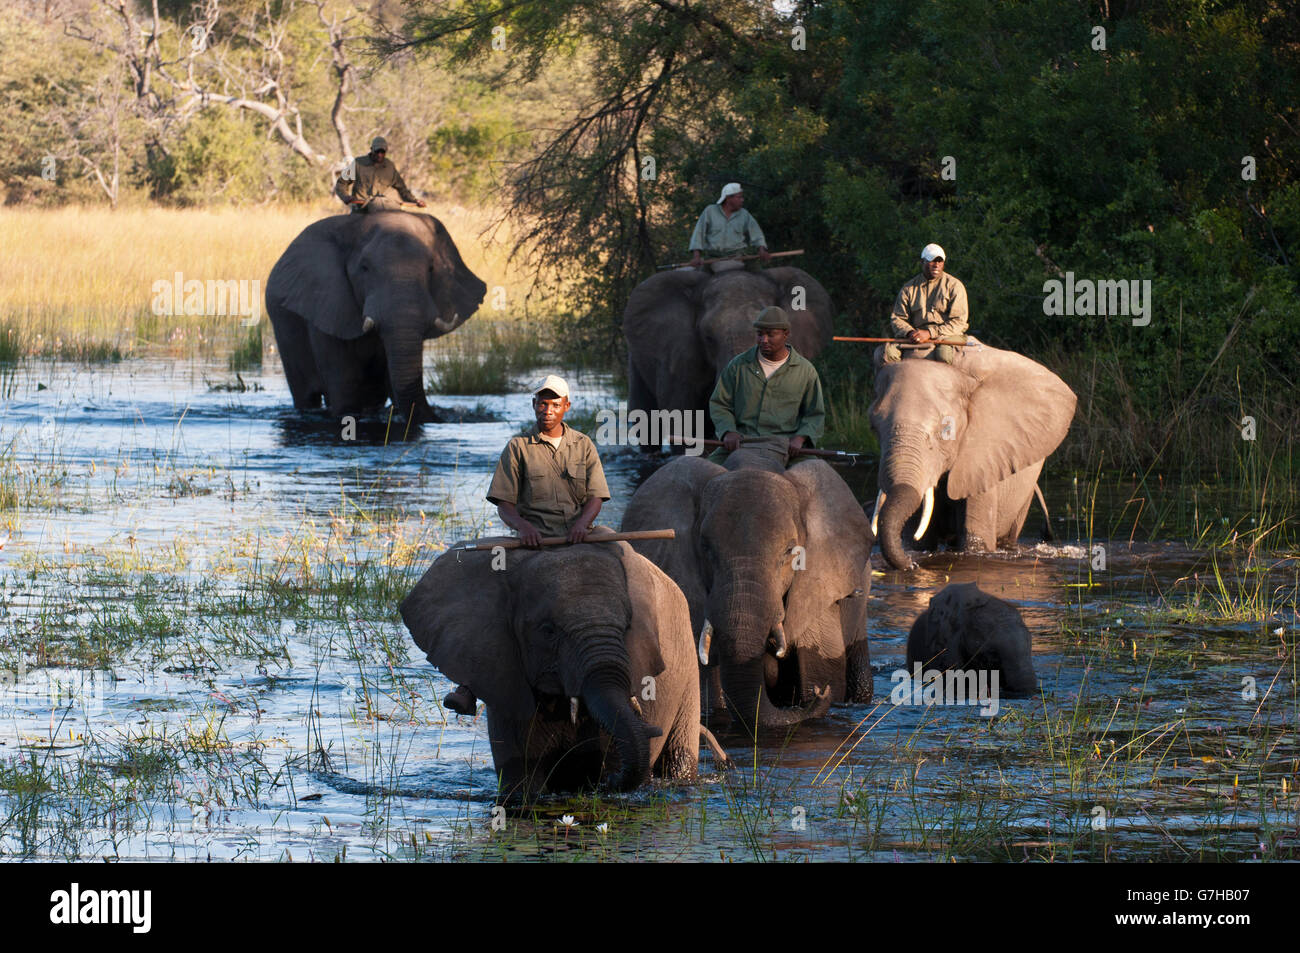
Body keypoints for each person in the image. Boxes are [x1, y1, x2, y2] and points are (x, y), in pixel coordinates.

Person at [442, 375, 611, 716]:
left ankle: (627, 685)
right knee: (496, 598)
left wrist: (582, 524)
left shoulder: (584, 446)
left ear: (566, 407)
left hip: (577, 540)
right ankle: (470, 684)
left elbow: (596, 497)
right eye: (541, 403)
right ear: (534, 406)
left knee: (618, 588)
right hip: (532, 545)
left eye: (554, 404)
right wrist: (523, 528)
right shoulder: (518, 448)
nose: (547, 410)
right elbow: (504, 504)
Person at [708, 306, 826, 465]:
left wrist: (800, 438)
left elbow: (814, 414)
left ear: (786, 334)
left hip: (786, 447)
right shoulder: (738, 366)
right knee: (704, 474)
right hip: (742, 443)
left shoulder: (806, 371)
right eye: (760, 334)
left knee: (816, 478)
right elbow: (720, 404)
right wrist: (728, 431)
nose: (764, 340)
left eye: (771, 334)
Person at [883, 242, 969, 364]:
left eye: (940, 261)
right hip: (916, 334)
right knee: (889, 353)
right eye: (932, 261)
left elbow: (959, 322)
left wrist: (930, 333)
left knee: (944, 354)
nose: (936, 265)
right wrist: (909, 332)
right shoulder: (908, 288)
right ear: (922, 262)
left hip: (948, 334)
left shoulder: (955, 286)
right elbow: (897, 318)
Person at [688, 182, 771, 272]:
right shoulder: (710, 211)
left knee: (760, 276)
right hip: (714, 257)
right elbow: (698, 234)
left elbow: (757, 234)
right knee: (700, 281)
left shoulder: (744, 214)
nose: (742, 200)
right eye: (739, 197)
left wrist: (761, 250)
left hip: (738, 255)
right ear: (728, 198)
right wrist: (696, 257)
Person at [333, 136, 426, 213]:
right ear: (371, 150)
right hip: (362, 209)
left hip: (384, 208)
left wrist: (415, 200)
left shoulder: (389, 166)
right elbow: (341, 183)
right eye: (377, 151)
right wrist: (345, 196)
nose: (380, 155)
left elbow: (402, 189)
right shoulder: (358, 163)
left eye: (383, 152)